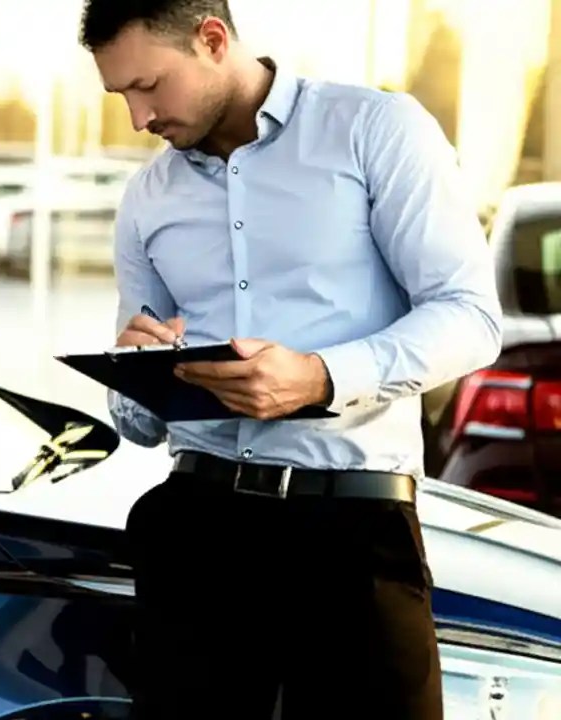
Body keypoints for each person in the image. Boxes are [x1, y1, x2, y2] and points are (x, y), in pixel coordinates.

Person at [78, 1, 503, 718]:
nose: (138, 119)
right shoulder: (148, 196)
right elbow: (138, 424)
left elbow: (471, 316)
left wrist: (320, 378)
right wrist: (135, 372)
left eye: (148, 86)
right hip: (194, 539)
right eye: (121, 95)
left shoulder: (373, 130)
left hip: (354, 538)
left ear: (213, 39)